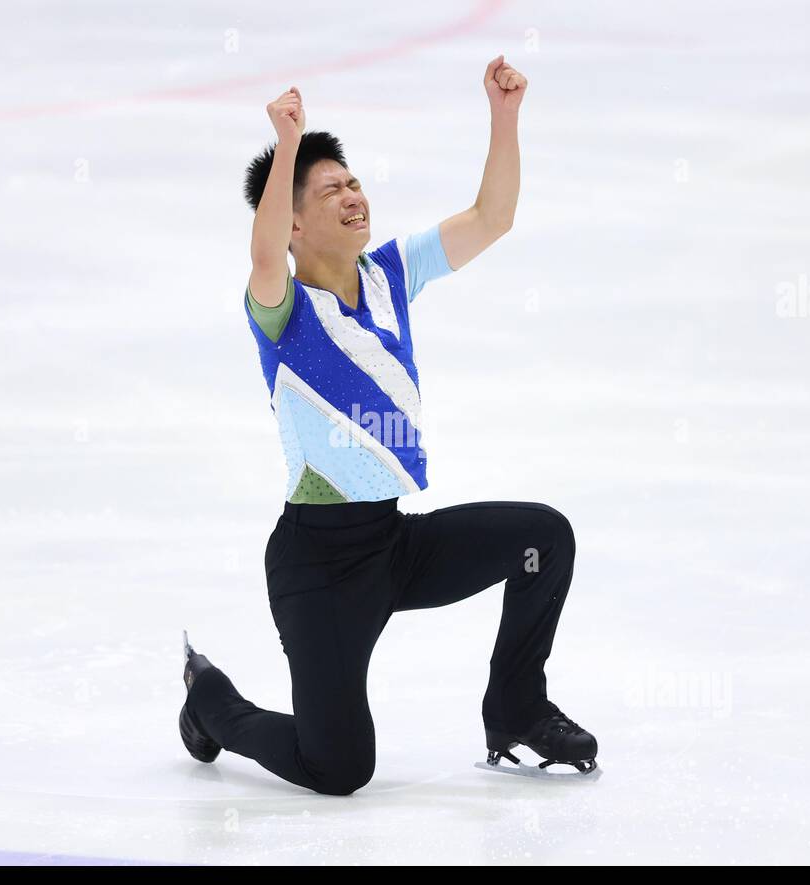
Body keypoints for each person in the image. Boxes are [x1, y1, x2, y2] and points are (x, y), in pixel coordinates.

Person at [179, 56, 597, 795]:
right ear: (297, 222)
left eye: (354, 182)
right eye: (330, 189)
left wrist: (504, 117)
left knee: (543, 538)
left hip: (394, 544)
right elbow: (263, 250)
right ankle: (214, 704)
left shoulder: (391, 275)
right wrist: (285, 146)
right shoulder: (283, 312)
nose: (353, 196)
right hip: (320, 569)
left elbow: (492, 219)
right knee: (337, 768)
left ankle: (516, 708)